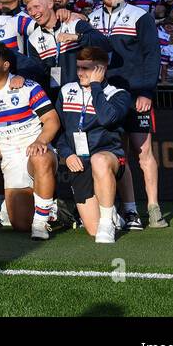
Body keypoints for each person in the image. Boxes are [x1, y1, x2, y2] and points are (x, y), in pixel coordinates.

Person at [89, 0, 166, 230]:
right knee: (117, 155)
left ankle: (154, 208)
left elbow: (152, 55)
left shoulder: (139, 16)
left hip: (135, 95)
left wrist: (146, 91)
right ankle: (129, 210)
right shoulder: (92, 18)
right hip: (107, 95)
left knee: (143, 153)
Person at [0, 42, 61, 241]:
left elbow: (52, 120)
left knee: (40, 157)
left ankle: (41, 223)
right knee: (19, 224)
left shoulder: (28, 87)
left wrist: (41, 141)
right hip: (10, 158)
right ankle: (52, 209)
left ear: (6, 65)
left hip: (34, 148)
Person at [54, 46, 132, 244]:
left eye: (86, 68)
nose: (80, 73)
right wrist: (67, 153)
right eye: (79, 67)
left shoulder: (118, 94)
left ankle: (107, 223)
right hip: (79, 161)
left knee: (99, 160)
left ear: (101, 69)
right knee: (92, 230)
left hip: (109, 157)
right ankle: (110, 212)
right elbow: (59, 130)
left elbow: (108, 119)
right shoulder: (66, 90)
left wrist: (96, 87)